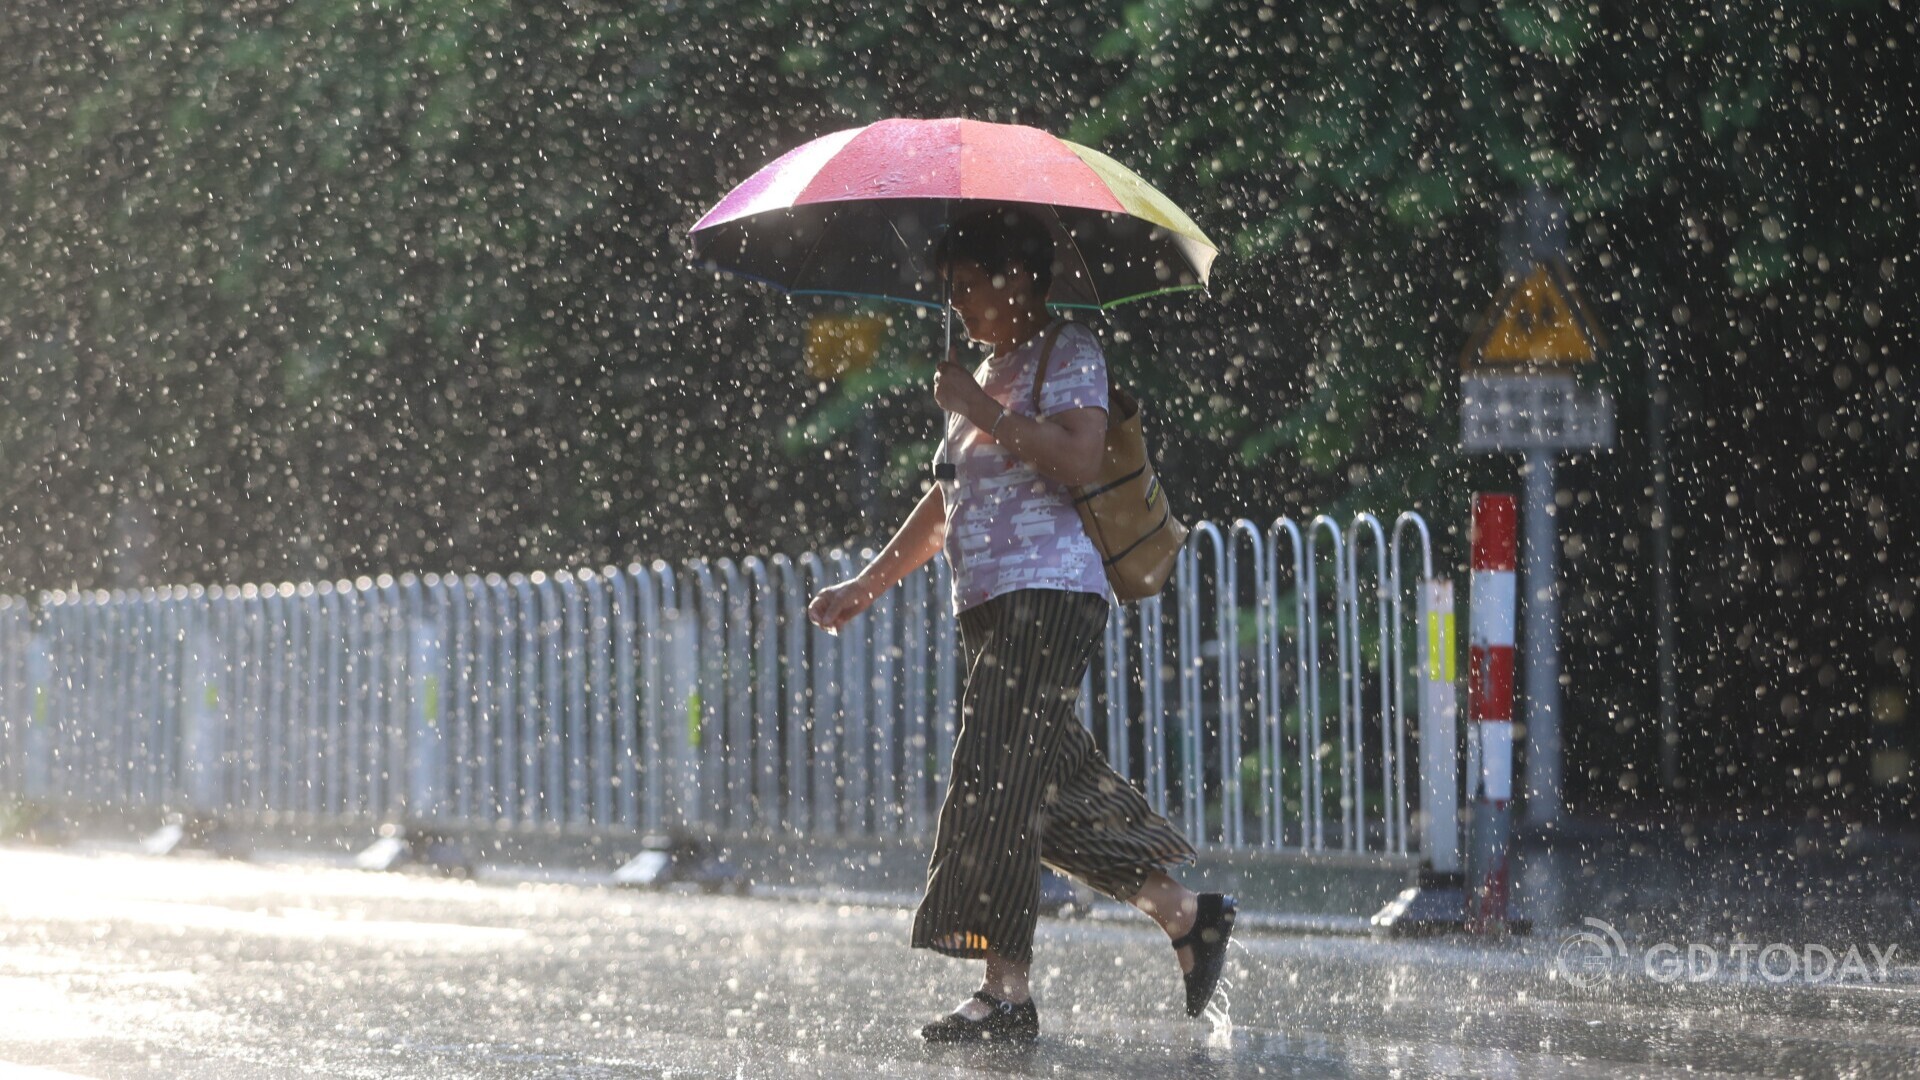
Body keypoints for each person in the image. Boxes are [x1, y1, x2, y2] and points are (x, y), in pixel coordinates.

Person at [806, 206, 1236, 1043]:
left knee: (992, 775)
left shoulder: (1067, 353)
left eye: (969, 286)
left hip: (1051, 593)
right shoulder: (985, 371)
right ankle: (1187, 915)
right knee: (1044, 786)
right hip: (991, 606)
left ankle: (1005, 989)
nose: (960, 304)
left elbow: (1077, 454)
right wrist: (868, 583)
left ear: (1020, 279)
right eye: (951, 291)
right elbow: (947, 500)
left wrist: (978, 404)